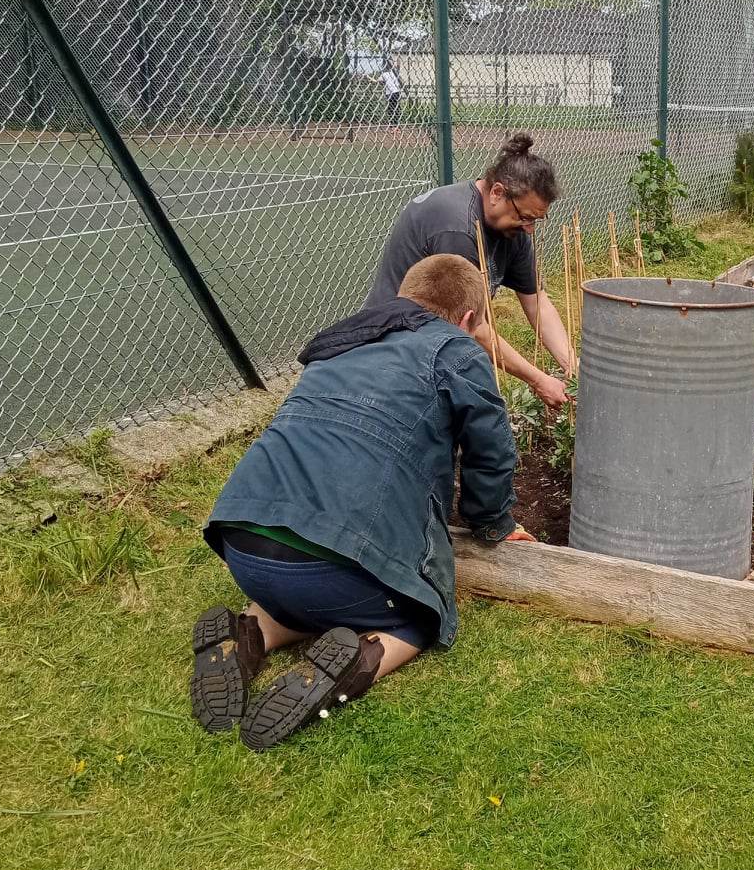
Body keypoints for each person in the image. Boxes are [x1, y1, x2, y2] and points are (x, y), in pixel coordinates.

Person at [190, 254, 533, 751]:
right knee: (418, 617)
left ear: (403, 298)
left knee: (296, 589)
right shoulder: (456, 350)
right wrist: (491, 523)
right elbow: (491, 451)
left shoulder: (341, 340)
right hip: (332, 568)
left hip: (243, 544)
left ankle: (251, 633)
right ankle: (351, 664)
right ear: (467, 320)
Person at [365, 133, 575, 409]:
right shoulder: (457, 227)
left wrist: (572, 367)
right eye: (525, 217)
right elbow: (475, 326)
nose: (530, 228)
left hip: (439, 337)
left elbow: (537, 301)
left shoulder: (513, 228)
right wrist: (538, 380)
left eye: (536, 220)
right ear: (498, 193)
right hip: (395, 344)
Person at [380, 59, 403, 126]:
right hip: (389, 93)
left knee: (395, 108)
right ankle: (393, 125)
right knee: (391, 109)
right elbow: (378, 81)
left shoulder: (395, 72)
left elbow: (399, 64)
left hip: (395, 92)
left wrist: (394, 62)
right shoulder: (384, 74)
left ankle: (396, 125)